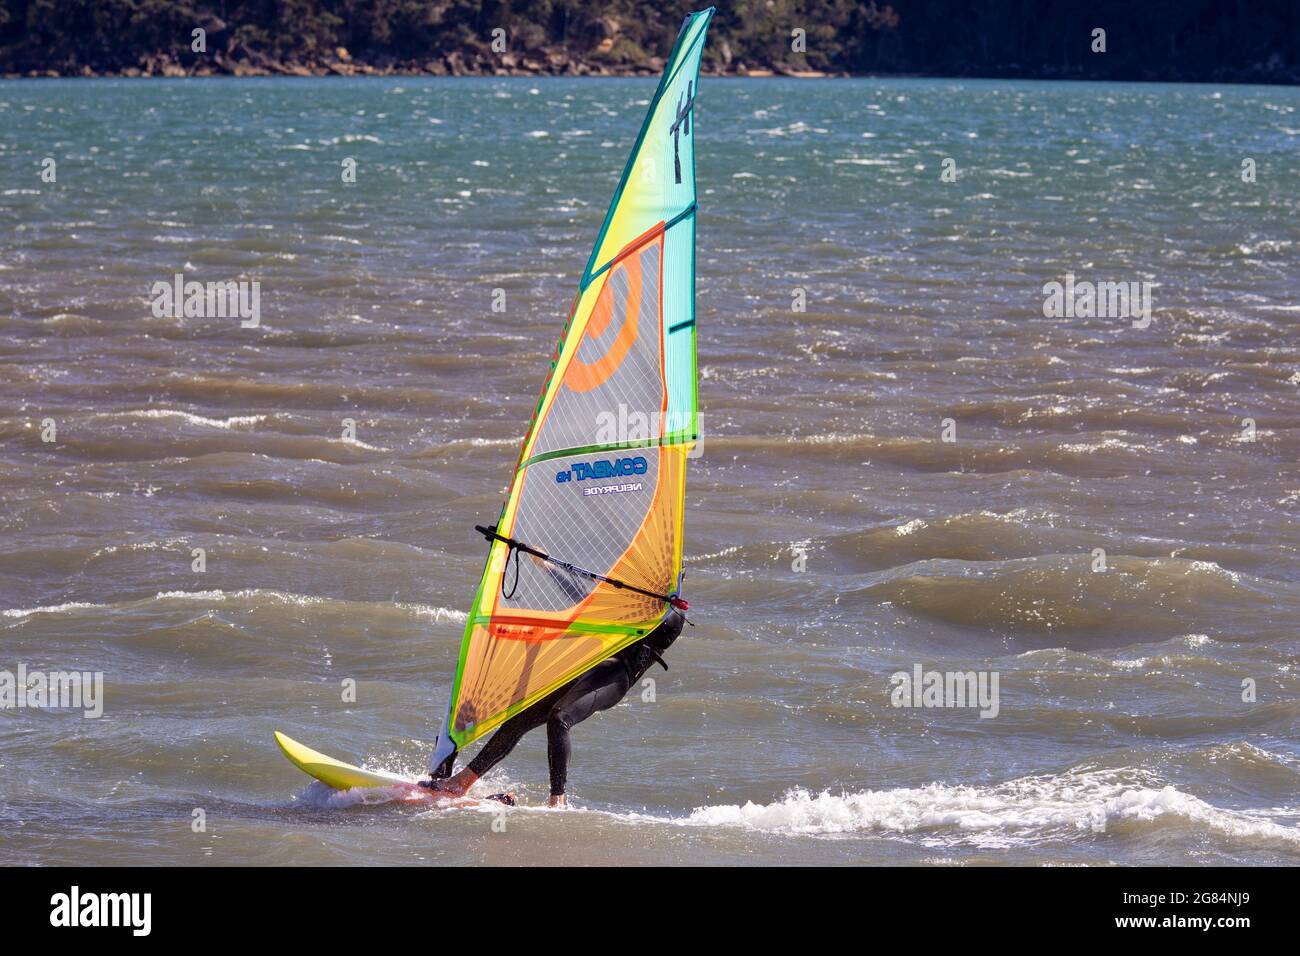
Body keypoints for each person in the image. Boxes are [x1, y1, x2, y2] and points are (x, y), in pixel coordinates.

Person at [419, 606, 686, 807]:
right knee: (518, 719)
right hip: (587, 666)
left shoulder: (673, 614)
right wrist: (548, 568)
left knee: (560, 719)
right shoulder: (633, 599)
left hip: (614, 676)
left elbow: (642, 615)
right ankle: (462, 782)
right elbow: (585, 596)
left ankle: (557, 800)